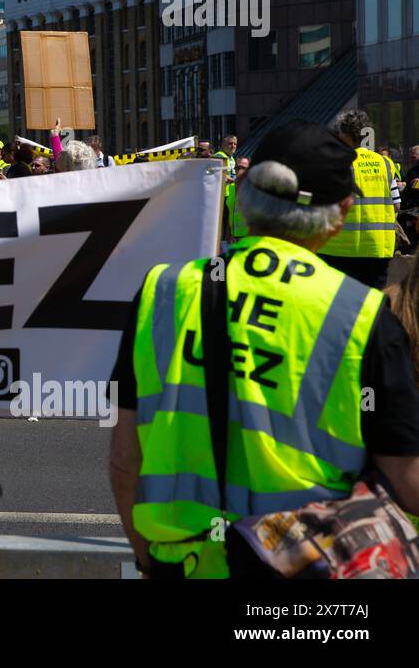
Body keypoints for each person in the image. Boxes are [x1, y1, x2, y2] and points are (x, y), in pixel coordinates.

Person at [109, 119, 419, 579]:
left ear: (247, 196)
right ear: (342, 212)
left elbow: (124, 459)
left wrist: (148, 560)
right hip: (305, 567)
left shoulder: (163, 292)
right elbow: (407, 479)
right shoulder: (360, 314)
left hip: (185, 564)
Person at [317, 109, 397, 289]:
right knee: (372, 309)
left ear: (344, 134)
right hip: (378, 248)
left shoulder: (334, 161)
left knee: (339, 309)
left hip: (339, 249)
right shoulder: (385, 163)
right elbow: (395, 202)